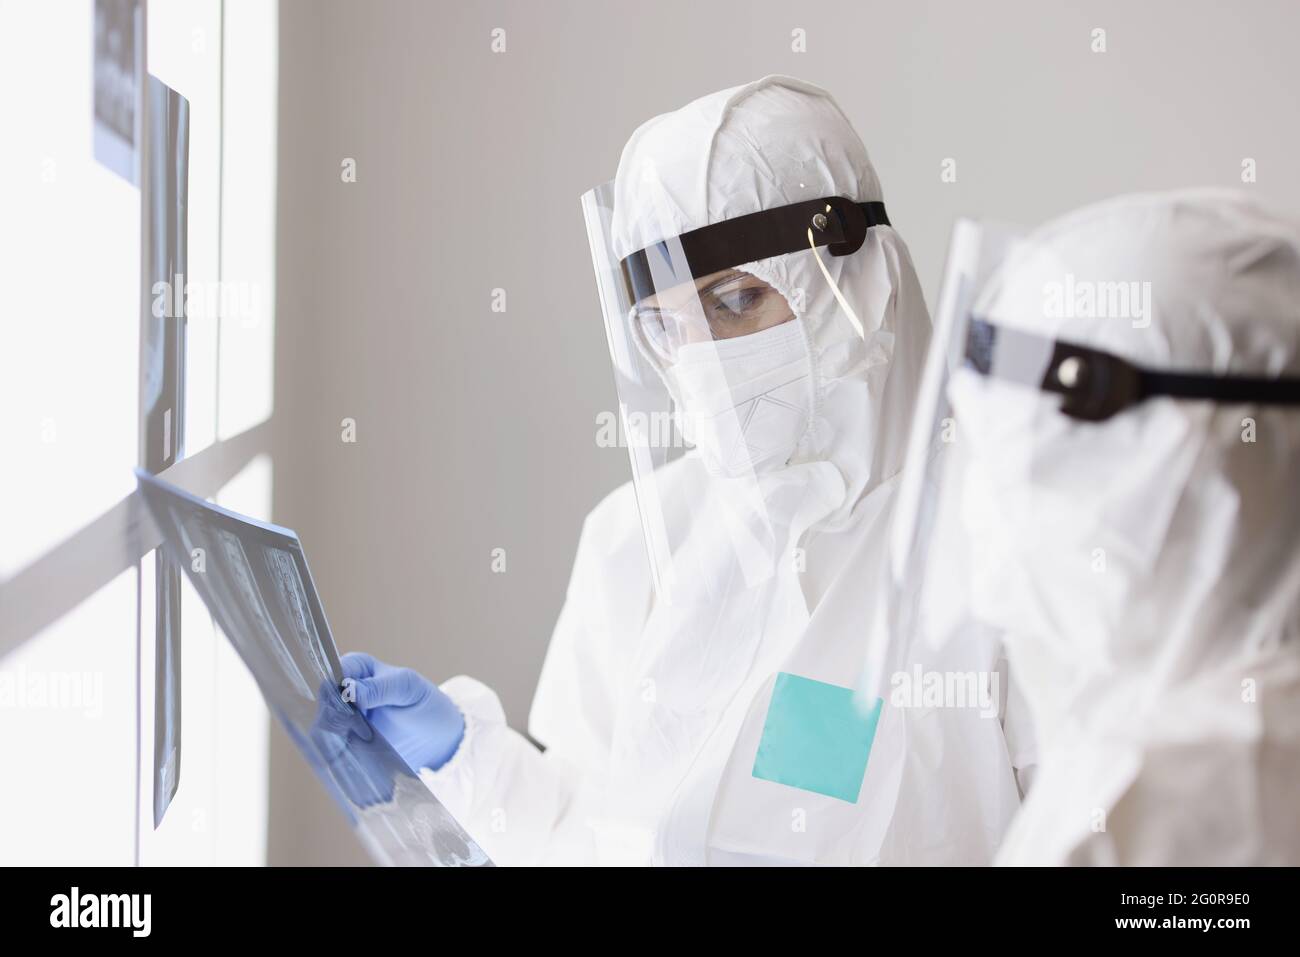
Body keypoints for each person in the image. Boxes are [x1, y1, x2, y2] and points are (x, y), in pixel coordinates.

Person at [344, 76, 1031, 865]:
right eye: (664, 324)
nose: (700, 357)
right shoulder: (635, 541)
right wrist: (470, 764)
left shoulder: (1010, 540)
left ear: (857, 279)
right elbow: (592, 831)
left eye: (735, 300)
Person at [885, 190, 1300, 865]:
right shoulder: (1163, 733)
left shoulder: (1155, 809)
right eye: (990, 439)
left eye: (1057, 441)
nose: (992, 504)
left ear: (1231, 448)